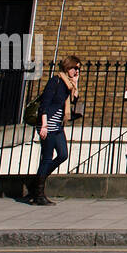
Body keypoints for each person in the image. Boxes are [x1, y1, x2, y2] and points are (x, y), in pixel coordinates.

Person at [32, 56, 80, 206]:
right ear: (67, 67)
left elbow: (73, 101)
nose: (76, 71)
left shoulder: (69, 85)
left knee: (63, 154)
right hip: (48, 124)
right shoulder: (56, 81)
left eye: (78, 69)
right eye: (74, 68)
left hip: (58, 125)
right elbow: (44, 104)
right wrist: (44, 126)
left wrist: (76, 85)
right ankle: (39, 194)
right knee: (47, 158)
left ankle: (40, 178)